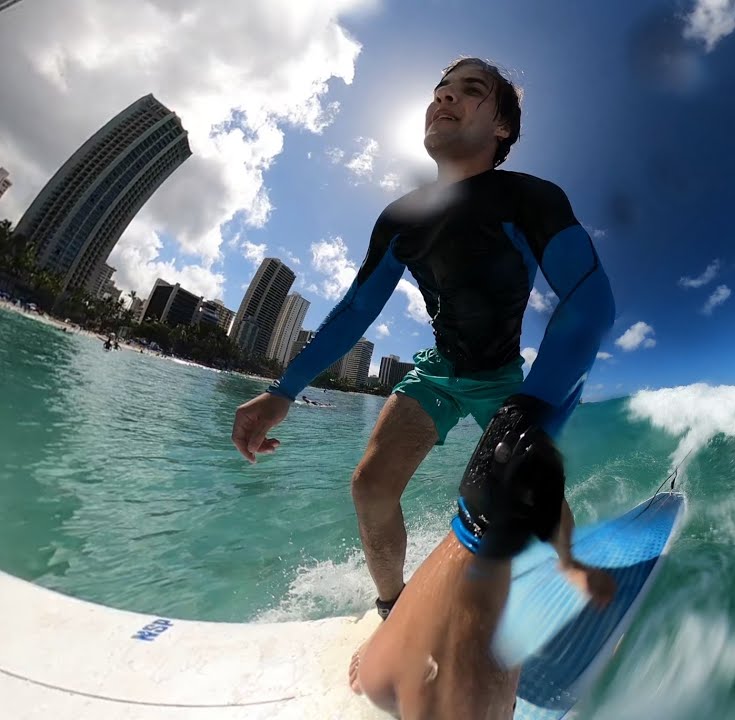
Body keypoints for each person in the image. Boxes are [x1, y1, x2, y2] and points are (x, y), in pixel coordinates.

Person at [230, 57, 617, 717]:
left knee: (527, 487)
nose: (446, 98)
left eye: (471, 91)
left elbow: (589, 304)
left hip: (502, 378)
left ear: (501, 127)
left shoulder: (527, 198)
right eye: (440, 89)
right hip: (437, 369)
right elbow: (355, 312)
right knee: (370, 486)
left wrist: (527, 409)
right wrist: (284, 389)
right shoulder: (402, 218)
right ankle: (393, 605)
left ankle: (563, 561)